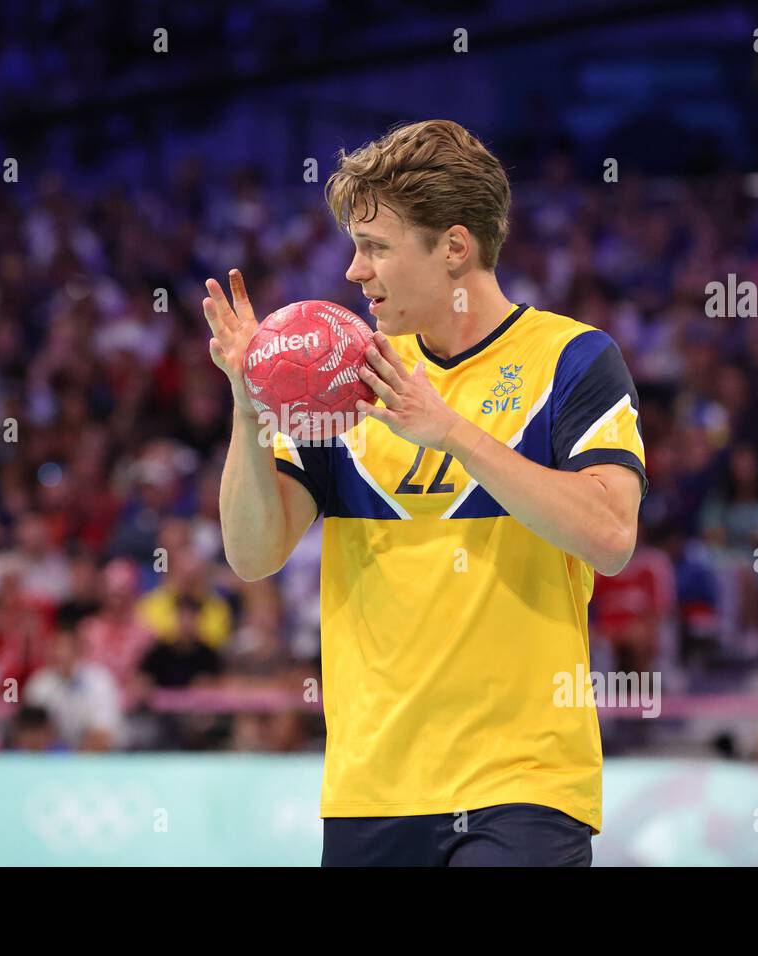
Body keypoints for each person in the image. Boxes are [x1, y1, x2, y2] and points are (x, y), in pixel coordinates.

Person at [206, 119, 645, 866]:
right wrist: (251, 409)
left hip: (525, 784)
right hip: (372, 789)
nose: (353, 271)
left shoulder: (572, 360)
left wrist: (454, 434)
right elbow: (252, 555)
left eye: (375, 247)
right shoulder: (346, 376)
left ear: (454, 247)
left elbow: (610, 537)